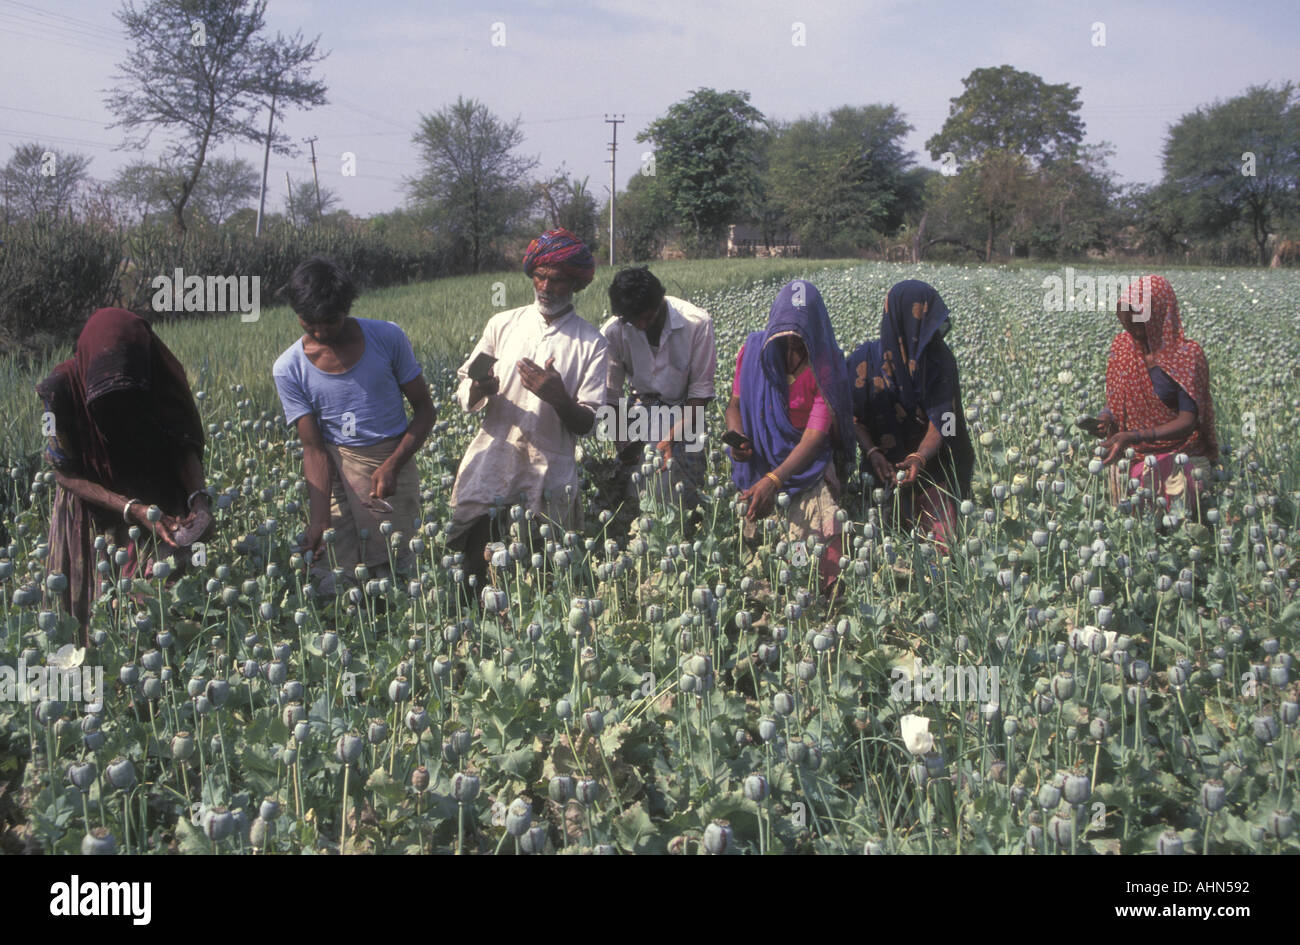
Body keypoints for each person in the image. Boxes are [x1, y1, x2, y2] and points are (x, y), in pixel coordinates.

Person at [448, 228, 608, 591]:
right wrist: (480, 387)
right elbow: (465, 389)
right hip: (493, 459)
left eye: (558, 280)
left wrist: (558, 397)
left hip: (548, 471)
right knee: (473, 562)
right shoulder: (502, 325)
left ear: (576, 284)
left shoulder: (591, 342)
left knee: (541, 573)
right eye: (540, 276)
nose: (546, 287)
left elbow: (589, 423)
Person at [37, 307, 211, 642]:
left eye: (130, 393)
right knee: (96, 608)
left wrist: (199, 500)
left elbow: (182, 443)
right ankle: (95, 666)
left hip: (158, 489)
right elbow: (64, 473)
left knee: (165, 603)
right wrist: (133, 509)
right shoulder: (57, 393)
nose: (121, 408)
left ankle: (170, 666)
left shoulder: (162, 373)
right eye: (107, 399)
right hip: (91, 500)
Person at [272, 257, 435, 591]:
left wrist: (393, 464)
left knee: (396, 569)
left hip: (390, 464)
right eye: (308, 322)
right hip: (332, 469)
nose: (319, 331)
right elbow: (314, 448)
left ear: (346, 307)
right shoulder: (288, 368)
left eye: (329, 321)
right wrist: (319, 520)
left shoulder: (387, 337)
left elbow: (425, 411)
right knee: (333, 573)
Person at [727, 279, 853, 595]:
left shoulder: (827, 365)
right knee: (757, 549)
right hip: (759, 465)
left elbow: (814, 436)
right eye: (786, 341)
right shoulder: (754, 350)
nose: (793, 350)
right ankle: (765, 591)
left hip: (805, 469)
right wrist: (737, 438)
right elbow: (735, 404)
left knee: (804, 542)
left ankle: (806, 590)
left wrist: (775, 478)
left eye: (801, 342)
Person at [848, 280, 974, 551]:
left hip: (932, 469)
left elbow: (945, 421)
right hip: (881, 473)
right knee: (877, 543)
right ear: (901, 320)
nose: (929, 334)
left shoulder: (940, 361)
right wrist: (872, 452)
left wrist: (920, 456)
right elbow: (853, 419)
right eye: (921, 325)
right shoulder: (863, 361)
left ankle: (938, 587)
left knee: (944, 547)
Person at [1096, 275, 1217, 516]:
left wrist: (1134, 435)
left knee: (1171, 509)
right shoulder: (1123, 348)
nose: (1133, 328)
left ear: (1160, 313)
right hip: (1133, 452)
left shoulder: (1185, 356)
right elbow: (1118, 400)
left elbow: (1188, 420)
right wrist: (1106, 417)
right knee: (1127, 513)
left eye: (1140, 320)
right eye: (1127, 319)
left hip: (1180, 453)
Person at [602, 266, 716, 517]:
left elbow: (699, 393)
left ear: (661, 299)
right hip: (639, 411)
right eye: (634, 321)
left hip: (686, 413)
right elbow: (610, 396)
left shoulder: (696, 323)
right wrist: (623, 441)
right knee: (639, 497)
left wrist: (672, 437)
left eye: (648, 317)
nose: (641, 326)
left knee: (685, 499)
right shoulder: (614, 330)